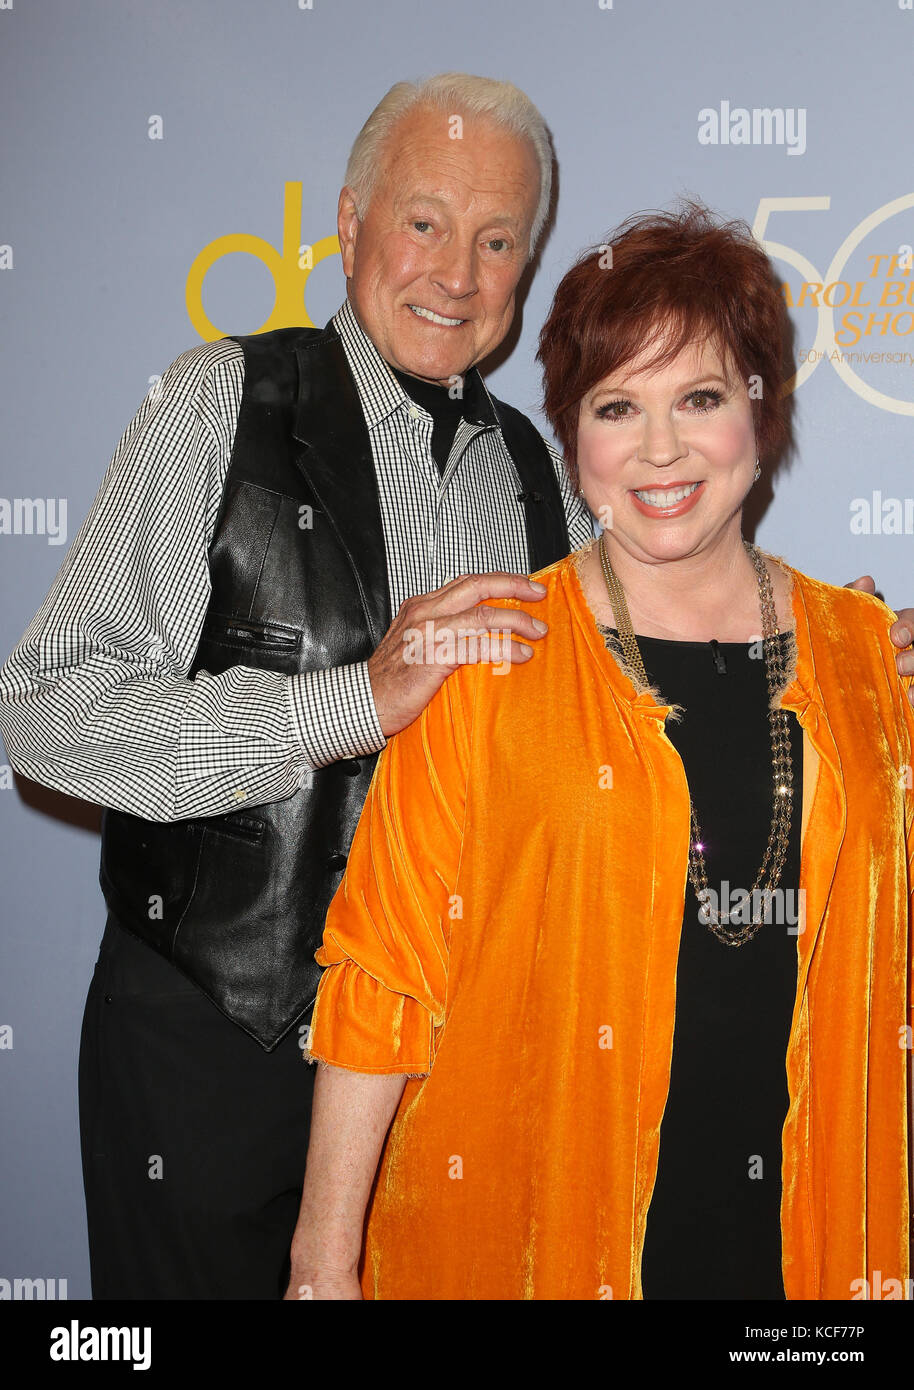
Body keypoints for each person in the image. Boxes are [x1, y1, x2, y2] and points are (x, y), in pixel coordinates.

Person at [0, 74, 593, 1300]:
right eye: (424, 222)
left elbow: (629, 697)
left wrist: (815, 641)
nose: (456, 272)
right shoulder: (221, 396)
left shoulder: (537, 472)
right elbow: (42, 708)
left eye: (496, 240)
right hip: (210, 1049)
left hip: (437, 1070)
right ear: (349, 219)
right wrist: (347, 703)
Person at [289, 203, 914, 1301]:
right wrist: (320, 1263)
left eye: (701, 398)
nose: (660, 448)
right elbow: (382, 972)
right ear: (572, 437)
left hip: (797, 1246)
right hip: (529, 1228)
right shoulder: (487, 648)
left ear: (759, 417)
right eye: (617, 406)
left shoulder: (864, 657)